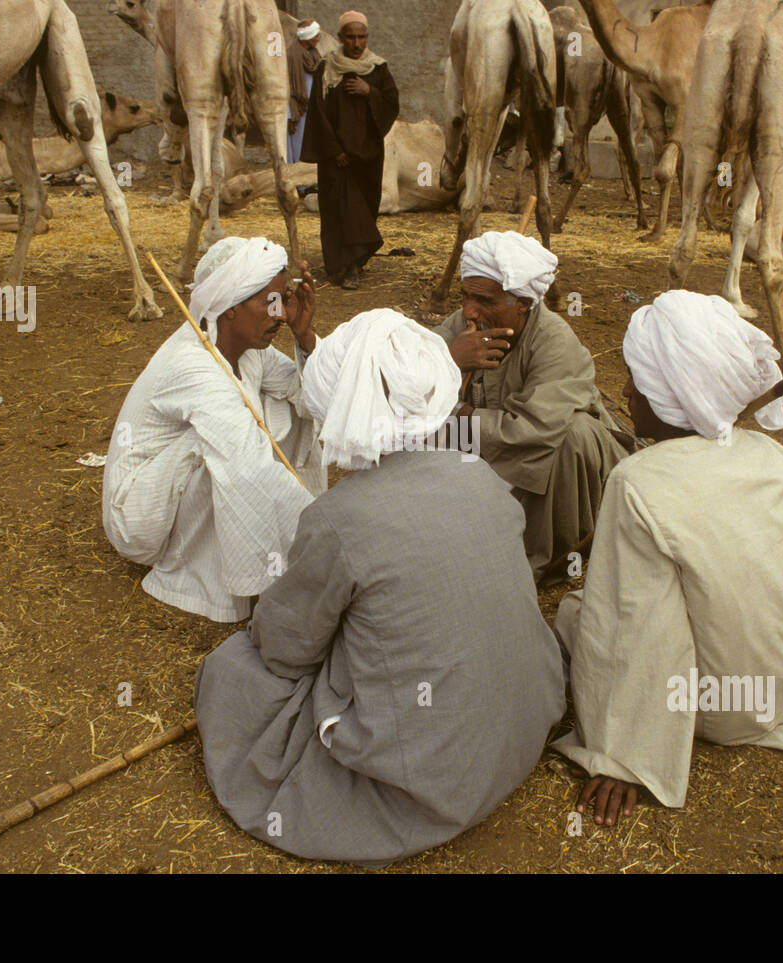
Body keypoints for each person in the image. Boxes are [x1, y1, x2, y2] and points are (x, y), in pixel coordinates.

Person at [194, 309, 566, 867]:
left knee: (231, 671)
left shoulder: (339, 519)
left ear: (339, 403)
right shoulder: (482, 477)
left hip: (419, 786)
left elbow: (283, 648)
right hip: (519, 736)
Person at [553, 290, 783, 827]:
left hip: (719, 708)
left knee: (577, 613)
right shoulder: (767, 454)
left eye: (637, 379)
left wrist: (623, 753)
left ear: (668, 394)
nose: (624, 390)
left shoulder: (636, 482)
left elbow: (636, 622)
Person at [101, 237, 327, 622]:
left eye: (282, 300)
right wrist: (324, 535)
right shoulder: (193, 365)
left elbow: (310, 395)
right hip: (137, 518)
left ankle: (266, 555)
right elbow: (248, 465)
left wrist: (304, 337)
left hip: (172, 492)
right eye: (269, 303)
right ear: (231, 308)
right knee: (229, 446)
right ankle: (212, 583)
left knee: (282, 409)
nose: (280, 315)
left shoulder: (247, 349)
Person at [435, 231, 633, 584]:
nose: (468, 310)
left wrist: (457, 417)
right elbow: (408, 376)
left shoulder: (553, 341)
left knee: (573, 436)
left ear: (522, 303)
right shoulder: (463, 326)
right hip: (487, 448)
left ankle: (548, 557)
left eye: (483, 300)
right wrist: (450, 360)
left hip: (545, 459)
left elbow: (531, 429)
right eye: (464, 295)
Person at [299, 10, 399, 290]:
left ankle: (355, 260)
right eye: (351, 37)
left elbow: (392, 104)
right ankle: (347, 267)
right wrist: (333, 150)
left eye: (362, 37)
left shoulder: (378, 69)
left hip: (368, 155)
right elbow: (318, 113)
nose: (357, 43)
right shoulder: (326, 68)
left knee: (364, 209)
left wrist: (370, 91)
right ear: (341, 37)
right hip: (337, 159)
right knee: (341, 210)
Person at [286, 19, 322, 165]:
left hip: (312, 108)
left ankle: (309, 182)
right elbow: (287, 87)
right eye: (316, 36)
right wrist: (290, 116)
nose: (318, 39)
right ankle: (298, 184)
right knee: (297, 147)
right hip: (297, 111)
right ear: (308, 37)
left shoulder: (314, 55)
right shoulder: (291, 56)